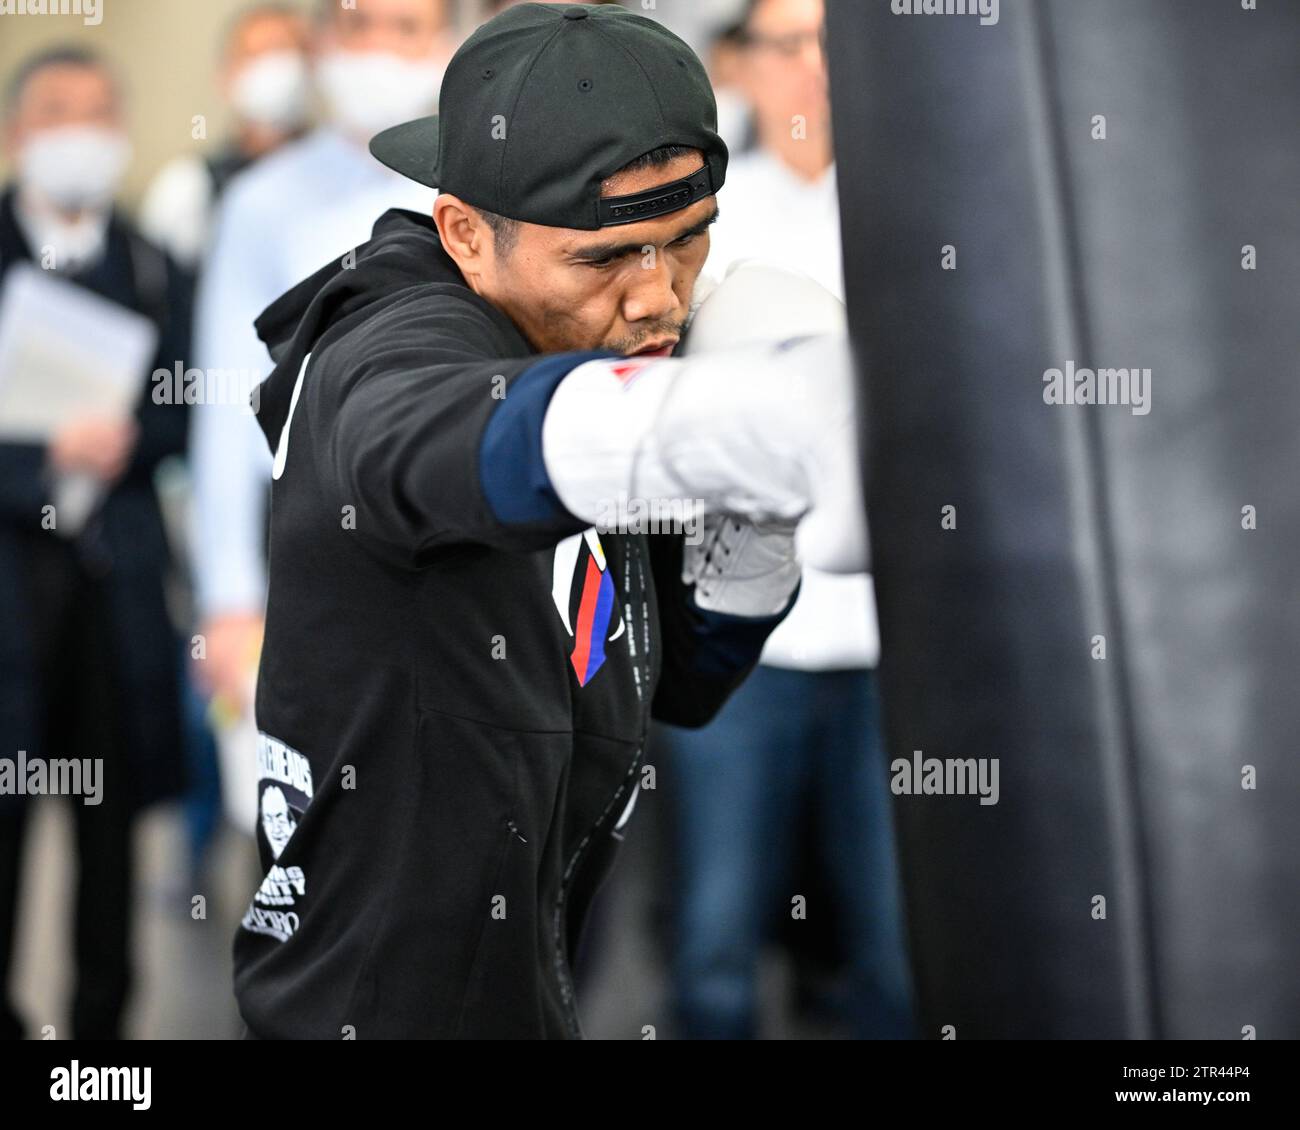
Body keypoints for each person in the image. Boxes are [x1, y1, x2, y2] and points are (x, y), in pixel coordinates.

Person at [232, 1, 860, 1039]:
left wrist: (753, 534)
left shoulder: (609, 351)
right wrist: (710, 424)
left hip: (528, 964)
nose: (655, 296)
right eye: (603, 257)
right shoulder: (387, 349)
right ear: (466, 235)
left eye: (686, 241)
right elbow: (431, 432)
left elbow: (682, 680)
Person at [658, 0, 914, 1039]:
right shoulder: (696, 223)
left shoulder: (915, 211)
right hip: (737, 647)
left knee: (896, 947)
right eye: (789, 45)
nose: (814, 70)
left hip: (890, 647)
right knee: (714, 940)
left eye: (832, 46)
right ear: (740, 65)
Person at [190, 0, 456, 725]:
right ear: (320, 40)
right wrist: (229, 595)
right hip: (301, 545)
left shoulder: (480, 191)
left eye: (405, 29)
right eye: (358, 25)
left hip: (457, 542)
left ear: (447, 42)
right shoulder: (261, 202)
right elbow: (221, 405)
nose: (377, 49)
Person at [0, 47, 192, 1039]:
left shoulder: (152, 261)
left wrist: (132, 431)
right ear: (16, 133)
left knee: (110, 840)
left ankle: (100, 1039)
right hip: (10, 595)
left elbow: (185, 408)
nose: (85, 129)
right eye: (60, 110)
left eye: (101, 110)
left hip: (112, 589)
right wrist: (37, 453)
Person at [139, 3, 312, 269]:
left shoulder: (346, 178)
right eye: (256, 55)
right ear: (226, 76)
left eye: (286, 51)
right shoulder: (190, 187)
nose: (273, 67)